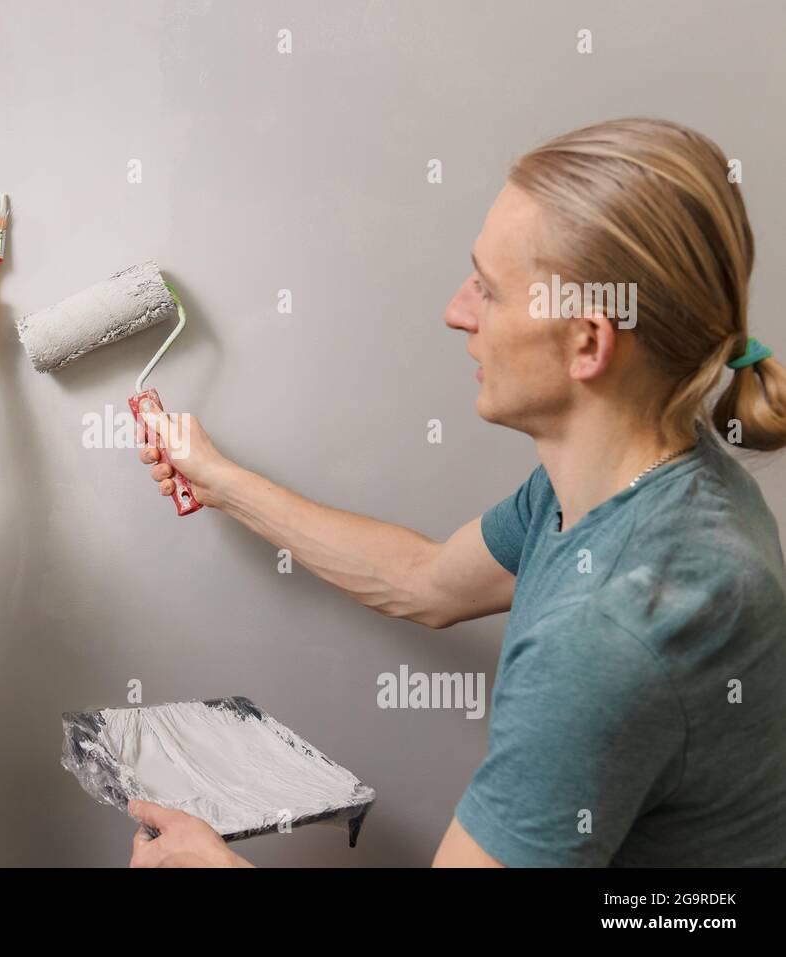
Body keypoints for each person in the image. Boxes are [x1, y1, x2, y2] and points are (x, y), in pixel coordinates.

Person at [131, 118, 786, 867]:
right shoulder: (637, 476)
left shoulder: (612, 633)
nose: (457, 310)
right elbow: (426, 579)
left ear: (588, 343)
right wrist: (220, 481)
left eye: (490, 289)